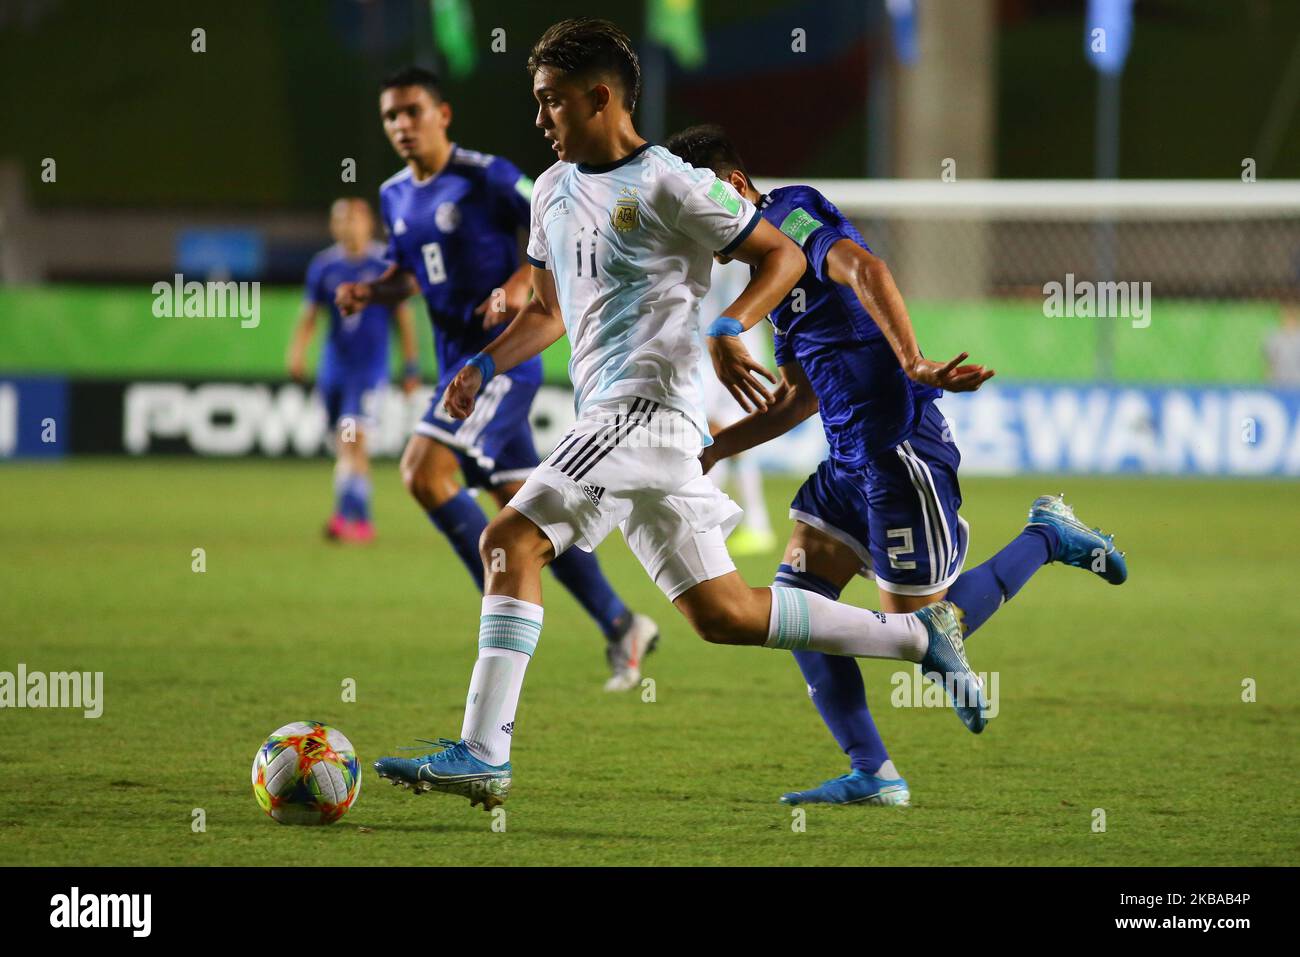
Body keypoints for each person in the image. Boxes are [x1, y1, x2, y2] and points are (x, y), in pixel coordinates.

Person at [373, 19, 991, 811]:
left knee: (508, 538)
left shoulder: (669, 180)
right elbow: (549, 310)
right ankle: (917, 635)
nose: (539, 120)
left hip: (646, 407)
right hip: (623, 421)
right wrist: (484, 361)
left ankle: (485, 751)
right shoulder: (554, 190)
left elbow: (785, 255)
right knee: (723, 614)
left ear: (599, 98)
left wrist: (729, 326)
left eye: (550, 102)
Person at [666, 123, 1128, 807]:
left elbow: (867, 268)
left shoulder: (791, 213)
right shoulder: (770, 280)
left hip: (899, 450)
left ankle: (1049, 535)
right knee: (799, 607)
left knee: (913, 630)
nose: (698, 232)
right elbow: (798, 398)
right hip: (847, 459)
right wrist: (711, 452)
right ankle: (874, 773)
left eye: (698, 209)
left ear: (733, 188)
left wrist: (912, 361)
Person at [336, 66, 657, 691]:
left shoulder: (488, 177)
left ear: (442, 114)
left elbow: (550, 236)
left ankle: (497, 595)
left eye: (412, 111)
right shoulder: (395, 194)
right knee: (530, 513)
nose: (402, 125)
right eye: (391, 117)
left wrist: (514, 290)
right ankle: (622, 624)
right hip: (454, 369)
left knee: (422, 471)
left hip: (500, 363)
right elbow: (411, 274)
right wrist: (370, 292)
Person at [288, 197, 418, 542]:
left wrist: (410, 366)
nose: (347, 226)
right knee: (346, 444)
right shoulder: (324, 267)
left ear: (368, 224)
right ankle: (359, 518)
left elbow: (403, 317)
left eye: (354, 219)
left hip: (370, 370)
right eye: (340, 220)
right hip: (334, 370)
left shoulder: (384, 263)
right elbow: (309, 316)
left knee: (353, 441)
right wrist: (297, 354)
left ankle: (345, 519)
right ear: (334, 227)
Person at [699, 256, 777, 555]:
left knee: (721, 430)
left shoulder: (737, 248)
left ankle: (738, 522)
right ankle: (749, 522)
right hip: (709, 348)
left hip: (737, 347)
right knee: (718, 430)